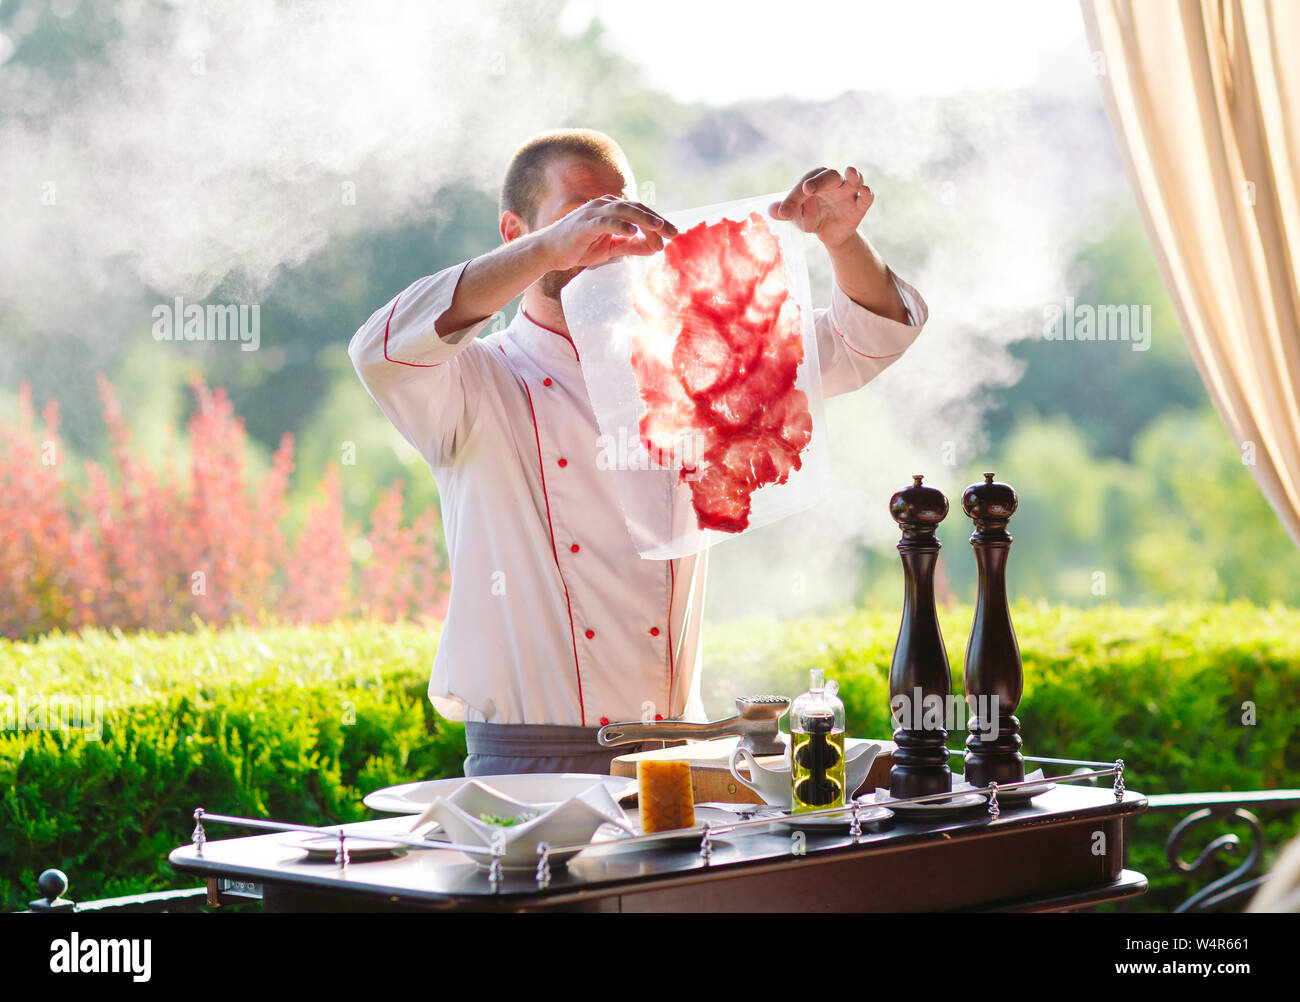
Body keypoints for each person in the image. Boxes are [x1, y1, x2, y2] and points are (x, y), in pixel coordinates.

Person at [349, 128, 928, 776]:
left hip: (678, 768)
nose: (603, 235)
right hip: (530, 777)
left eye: (615, 211)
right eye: (578, 215)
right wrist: (552, 252)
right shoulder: (475, 382)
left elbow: (866, 340)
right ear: (516, 232)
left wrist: (839, 240)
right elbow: (379, 349)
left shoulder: (687, 368)